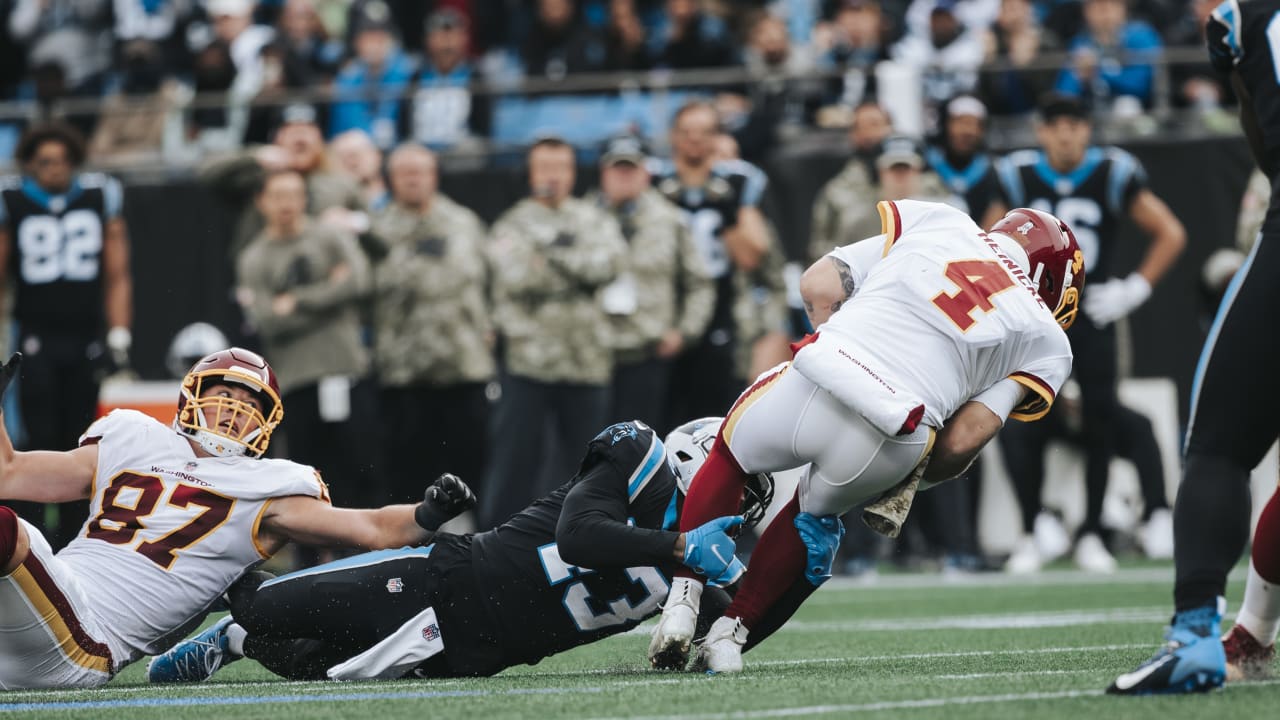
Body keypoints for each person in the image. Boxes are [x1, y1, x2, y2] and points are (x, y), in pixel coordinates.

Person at [649, 200, 1083, 673]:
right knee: (813, 516)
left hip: (825, 369)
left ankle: (682, 602)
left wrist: (848, 342)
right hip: (901, 426)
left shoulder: (943, 221)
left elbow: (817, 283)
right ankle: (731, 636)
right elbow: (963, 441)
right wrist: (911, 474)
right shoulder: (1048, 340)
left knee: (731, 455)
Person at [147, 418, 772, 683]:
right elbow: (578, 536)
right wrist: (681, 545)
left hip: (480, 652)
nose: (737, 506)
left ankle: (230, 643)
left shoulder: (698, 572)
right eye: (739, 485)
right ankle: (175, 574)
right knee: (263, 606)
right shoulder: (639, 458)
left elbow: (740, 625)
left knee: (312, 667)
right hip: (449, 578)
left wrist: (781, 576)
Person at [0, 348, 474, 690]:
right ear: (192, 398)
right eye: (224, 392)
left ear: (267, 425)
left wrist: (427, 511)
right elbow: (9, 473)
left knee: (13, 532)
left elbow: (373, 528)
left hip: (86, 642)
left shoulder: (265, 487)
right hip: (41, 604)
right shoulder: (133, 438)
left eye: (250, 406)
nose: (233, 411)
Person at [1108, 0, 1280, 694]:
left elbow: (1263, 148)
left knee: (1219, 447)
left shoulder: (1242, 18)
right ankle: (1250, 635)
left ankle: (1196, 639)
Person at [995, 92, 1185, 573]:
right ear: (1041, 131)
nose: (1066, 132)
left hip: (1090, 312)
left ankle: (1093, 532)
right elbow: (985, 241)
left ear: (1087, 129)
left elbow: (1171, 231)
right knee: (1016, 413)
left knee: (1101, 418)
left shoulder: (1112, 172)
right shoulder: (1017, 175)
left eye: (1075, 123)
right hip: (1031, 317)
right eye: (1056, 123)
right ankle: (1031, 527)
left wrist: (1136, 287)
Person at [481, 137, 627, 529]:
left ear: (573, 172)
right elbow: (516, 275)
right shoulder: (513, 221)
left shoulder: (595, 217)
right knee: (516, 460)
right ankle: (497, 539)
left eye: (560, 167)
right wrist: (576, 270)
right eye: (544, 167)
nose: (552, 176)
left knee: (589, 461)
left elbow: (609, 265)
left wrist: (549, 253)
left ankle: (589, 535)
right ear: (531, 173)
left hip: (587, 360)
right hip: (529, 360)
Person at [0, 122, 133, 550]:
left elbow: (118, 274)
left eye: (61, 160)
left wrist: (118, 333)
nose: (54, 169)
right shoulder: (14, 202)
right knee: (36, 437)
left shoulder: (99, 196)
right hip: (34, 337)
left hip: (84, 337)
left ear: (74, 161)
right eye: (45, 161)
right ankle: (32, 542)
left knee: (82, 439)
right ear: (30, 164)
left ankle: (79, 541)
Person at [235, 169, 382, 511]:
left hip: (344, 369)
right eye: (278, 196)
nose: (286, 204)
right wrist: (330, 292)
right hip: (296, 380)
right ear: (262, 202)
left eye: (293, 195)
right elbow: (266, 321)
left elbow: (358, 282)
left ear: (305, 199)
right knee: (306, 474)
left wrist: (297, 301)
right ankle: (311, 555)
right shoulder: (254, 257)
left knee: (360, 465)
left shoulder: (329, 237)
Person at [370, 144, 494, 505]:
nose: (413, 179)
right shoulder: (376, 230)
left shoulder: (464, 222)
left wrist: (492, 325)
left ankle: (478, 549)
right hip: (403, 371)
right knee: (406, 473)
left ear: (434, 175)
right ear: (391, 178)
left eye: (420, 170)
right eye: (404, 171)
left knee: (474, 466)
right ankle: (410, 552)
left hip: (463, 366)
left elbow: (493, 279)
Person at [649, 101, 772, 427]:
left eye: (704, 132)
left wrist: (728, 210)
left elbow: (750, 256)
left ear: (717, 137)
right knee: (658, 416)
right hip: (662, 307)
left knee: (714, 419)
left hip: (721, 305)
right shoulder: (651, 181)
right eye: (687, 131)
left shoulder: (734, 183)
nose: (694, 140)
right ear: (673, 136)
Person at [590, 135, 714, 429]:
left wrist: (684, 332)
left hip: (648, 352)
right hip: (590, 355)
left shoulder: (670, 220)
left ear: (646, 173)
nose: (624, 177)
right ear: (603, 173)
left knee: (642, 444)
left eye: (631, 169)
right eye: (617, 169)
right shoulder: (580, 219)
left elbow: (700, 282)